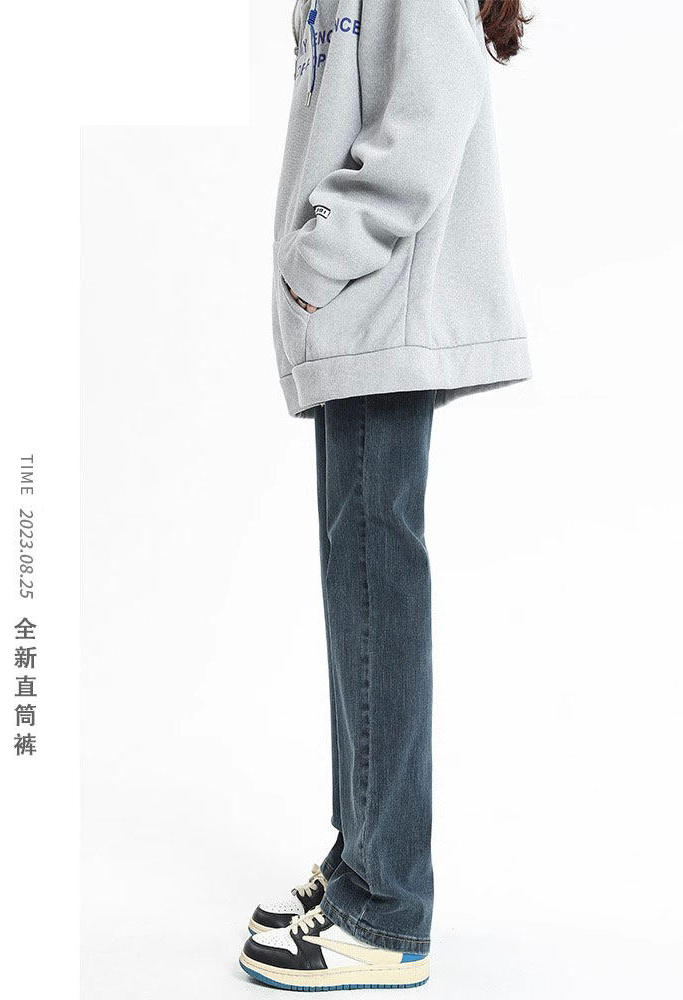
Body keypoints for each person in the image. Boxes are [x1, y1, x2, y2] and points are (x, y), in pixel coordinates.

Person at [240, 0, 532, 990]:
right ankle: (361, 860)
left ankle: (388, 907)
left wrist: (321, 250)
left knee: (376, 590)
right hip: (355, 317)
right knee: (361, 589)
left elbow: (433, 108)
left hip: (375, 305)